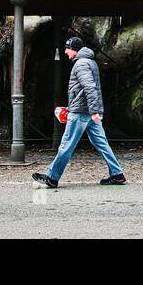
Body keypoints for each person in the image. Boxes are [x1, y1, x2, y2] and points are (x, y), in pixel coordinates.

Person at [32, 37, 126, 188]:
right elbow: (85, 90)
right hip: (87, 112)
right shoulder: (90, 62)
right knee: (102, 143)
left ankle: (52, 177)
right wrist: (91, 110)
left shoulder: (81, 64)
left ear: (74, 49)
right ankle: (117, 174)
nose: (65, 51)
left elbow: (89, 88)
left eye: (67, 48)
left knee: (66, 144)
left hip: (82, 113)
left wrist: (92, 110)